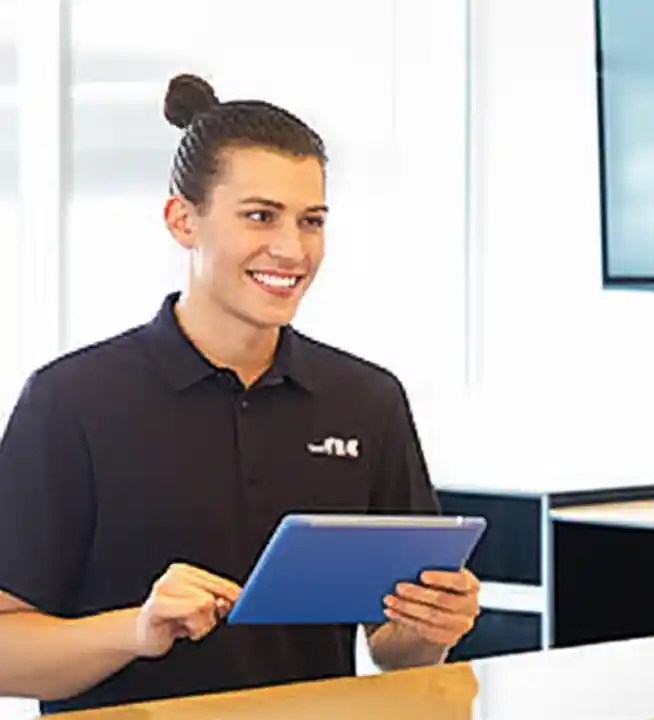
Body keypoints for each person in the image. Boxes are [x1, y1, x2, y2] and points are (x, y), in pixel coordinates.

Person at [0, 74, 480, 714]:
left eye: (311, 221)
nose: (291, 249)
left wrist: (430, 628)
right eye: (260, 215)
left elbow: (391, 647)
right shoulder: (72, 401)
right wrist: (137, 631)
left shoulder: (367, 401)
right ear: (182, 220)